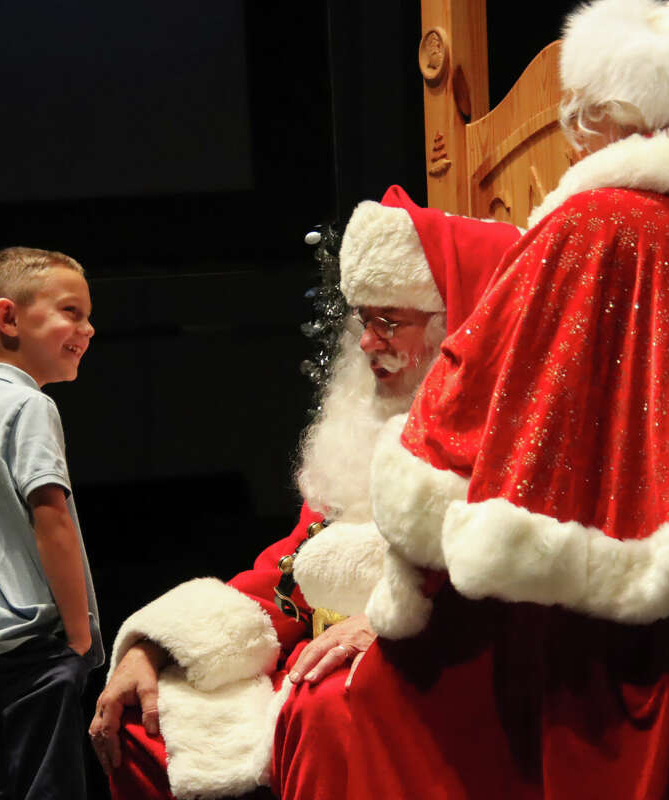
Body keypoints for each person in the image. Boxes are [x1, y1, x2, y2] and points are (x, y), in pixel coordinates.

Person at [347, 1, 669, 798]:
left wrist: (398, 596)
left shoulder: (596, 225)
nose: (568, 126)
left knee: (340, 715)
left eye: (584, 103)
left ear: (622, 104)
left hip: (595, 649)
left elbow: (471, 402)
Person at [87, 187, 521, 800]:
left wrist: (388, 619)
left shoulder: (507, 437)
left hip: (447, 665)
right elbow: (290, 574)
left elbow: (495, 584)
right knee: (145, 718)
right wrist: (158, 644)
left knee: (322, 709)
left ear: (457, 326)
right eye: (362, 321)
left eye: (388, 321)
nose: (368, 342)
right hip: (337, 655)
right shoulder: (362, 432)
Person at [0, 246, 105, 800]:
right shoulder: (29, 407)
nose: (88, 328)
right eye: (71, 311)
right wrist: (79, 637)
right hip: (37, 643)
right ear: (8, 317)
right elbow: (52, 520)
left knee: (4, 788)